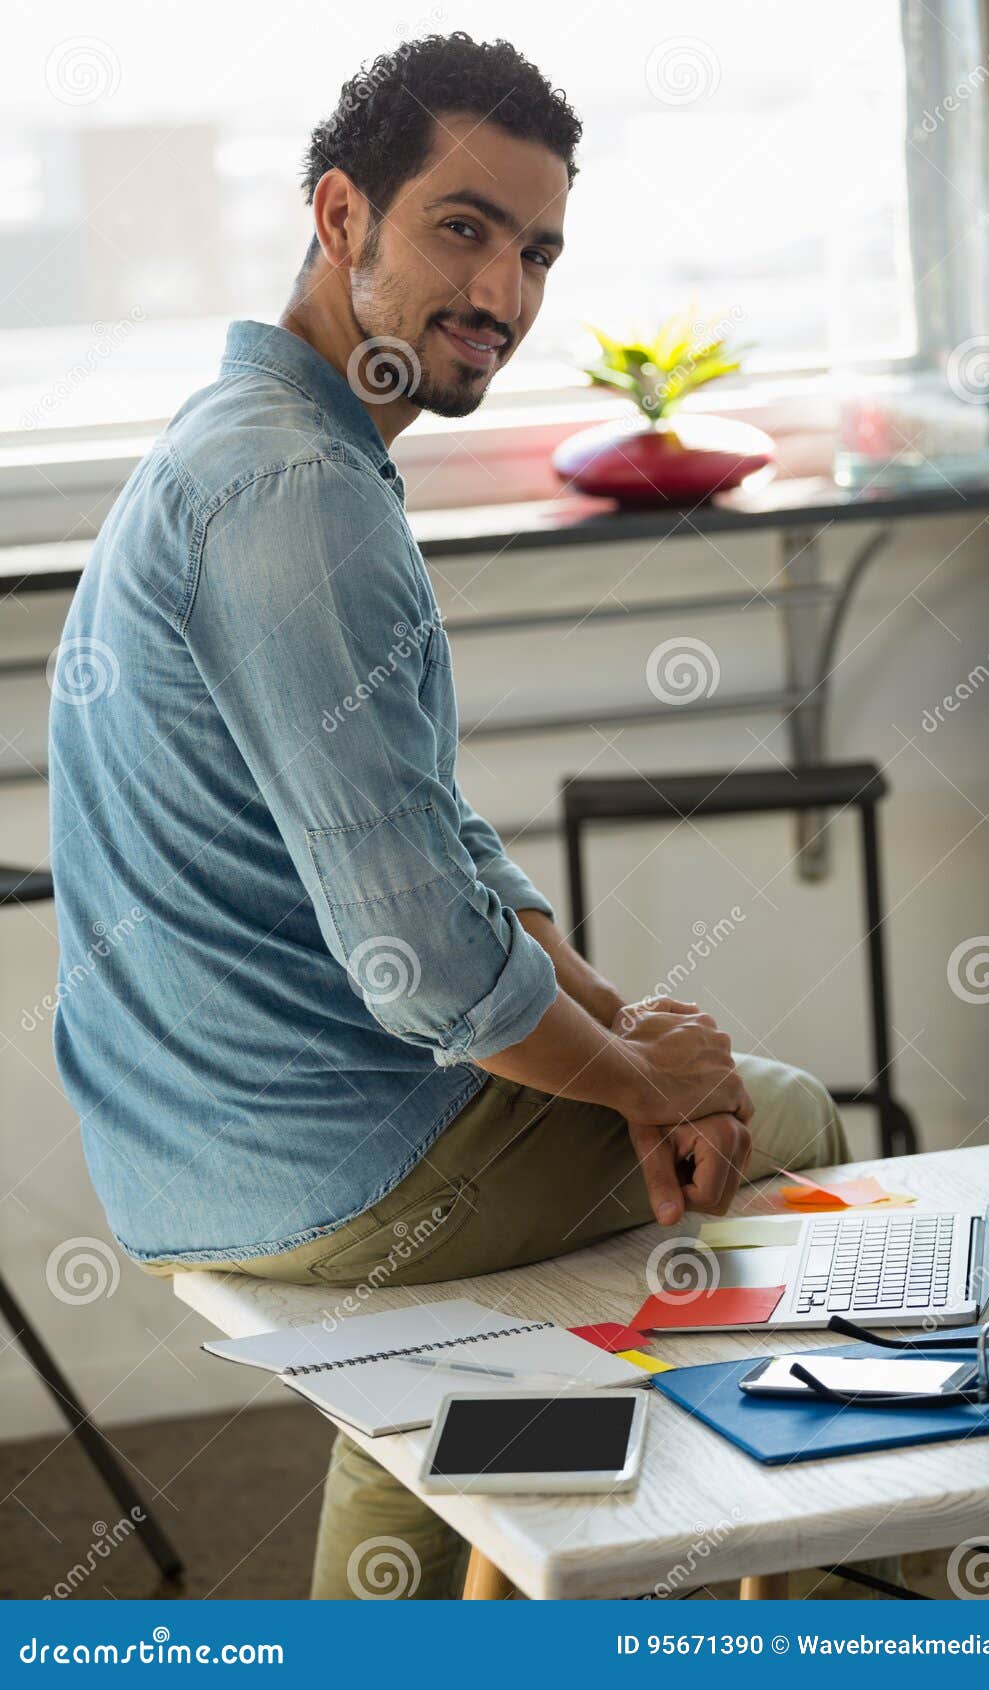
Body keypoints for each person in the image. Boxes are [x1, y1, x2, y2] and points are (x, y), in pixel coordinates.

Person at [48, 34, 855, 1599]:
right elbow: (422, 970)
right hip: (314, 1158)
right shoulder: (299, 492)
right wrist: (642, 1083)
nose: (502, 289)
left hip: (197, 1148)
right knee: (787, 1121)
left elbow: (436, 838)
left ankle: (449, 1633)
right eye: (462, 227)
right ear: (342, 215)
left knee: (449, 1348)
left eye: (537, 249)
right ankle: (693, 1610)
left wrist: (626, 1025)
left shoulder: (254, 447)